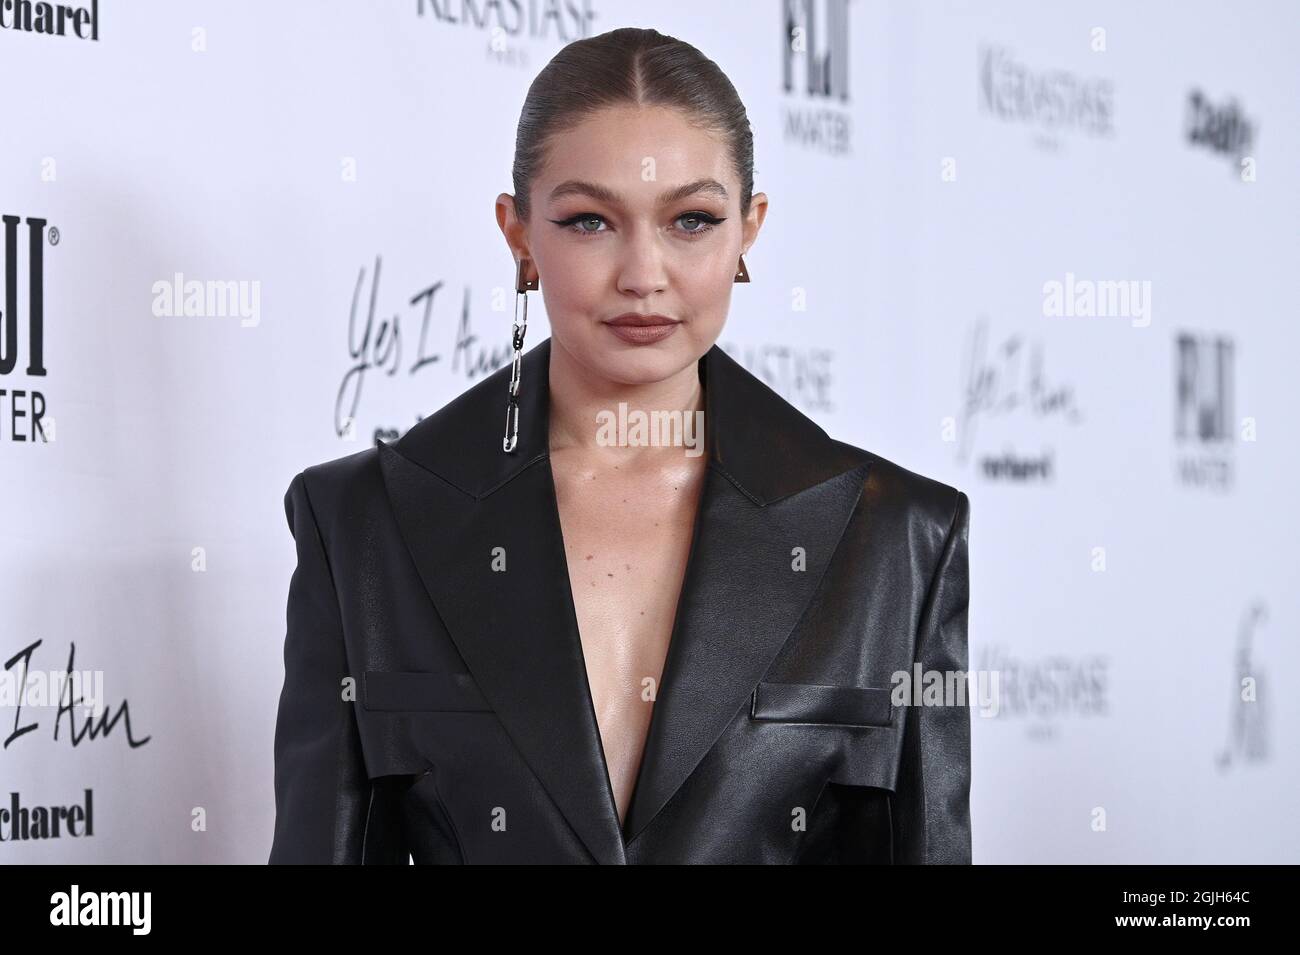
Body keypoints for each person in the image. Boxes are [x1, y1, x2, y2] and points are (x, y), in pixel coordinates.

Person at [269, 26, 971, 864]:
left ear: (749, 230)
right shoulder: (362, 521)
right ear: (520, 233)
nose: (644, 272)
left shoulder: (894, 537)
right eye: (591, 219)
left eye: (692, 219)